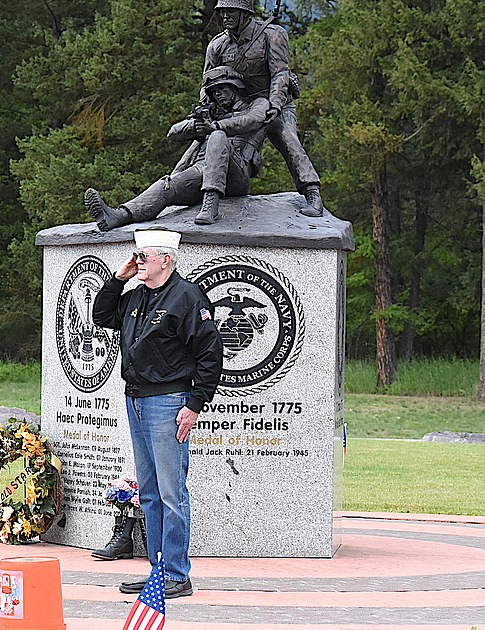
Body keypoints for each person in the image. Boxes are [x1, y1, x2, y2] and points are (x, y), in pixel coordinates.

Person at [92, 228, 223, 599]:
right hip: (136, 399)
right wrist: (119, 277)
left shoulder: (186, 296)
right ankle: (158, 571)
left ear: (166, 259)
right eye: (137, 256)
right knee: (148, 492)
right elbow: (101, 314)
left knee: (170, 493)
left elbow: (210, 353)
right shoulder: (135, 296)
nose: (139, 261)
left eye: (144, 256)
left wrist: (195, 404)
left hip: (168, 401)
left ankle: (178, 574)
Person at [85, 66, 270, 229]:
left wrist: (216, 126)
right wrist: (198, 124)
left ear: (235, 87)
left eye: (222, 89)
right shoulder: (212, 113)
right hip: (202, 170)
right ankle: (118, 216)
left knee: (218, 136)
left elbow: (254, 119)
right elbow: (173, 132)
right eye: (214, 92)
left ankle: (210, 204)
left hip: (236, 174)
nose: (218, 94)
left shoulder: (256, 105)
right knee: (167, 186)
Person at [204, 0, 323, 216]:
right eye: (222, 12)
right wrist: (206, 106)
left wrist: (276, 105)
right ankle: (203, 197)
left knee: (288, 139)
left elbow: (280, 73)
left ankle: (312, 193)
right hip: (242, 108)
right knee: (210, 143)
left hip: (276, 104)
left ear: (244, 13)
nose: (225, 17)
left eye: (231, 11)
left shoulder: (272, 34)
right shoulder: (217, 45)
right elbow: (208, 82)